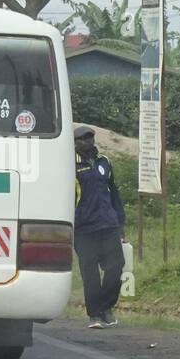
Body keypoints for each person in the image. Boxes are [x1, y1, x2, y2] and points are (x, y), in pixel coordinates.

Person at [73, 125, 126, 329]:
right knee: (90, 272)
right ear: (75, 143)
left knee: (116, 266)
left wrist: (120, 222)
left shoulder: (104, 162)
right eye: (83, 139)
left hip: (108, 223)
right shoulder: (70, 164)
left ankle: (106, 307)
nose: (88, 142)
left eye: (90, 138)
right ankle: (94, 315)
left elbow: (114, 193)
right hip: (83, 227)